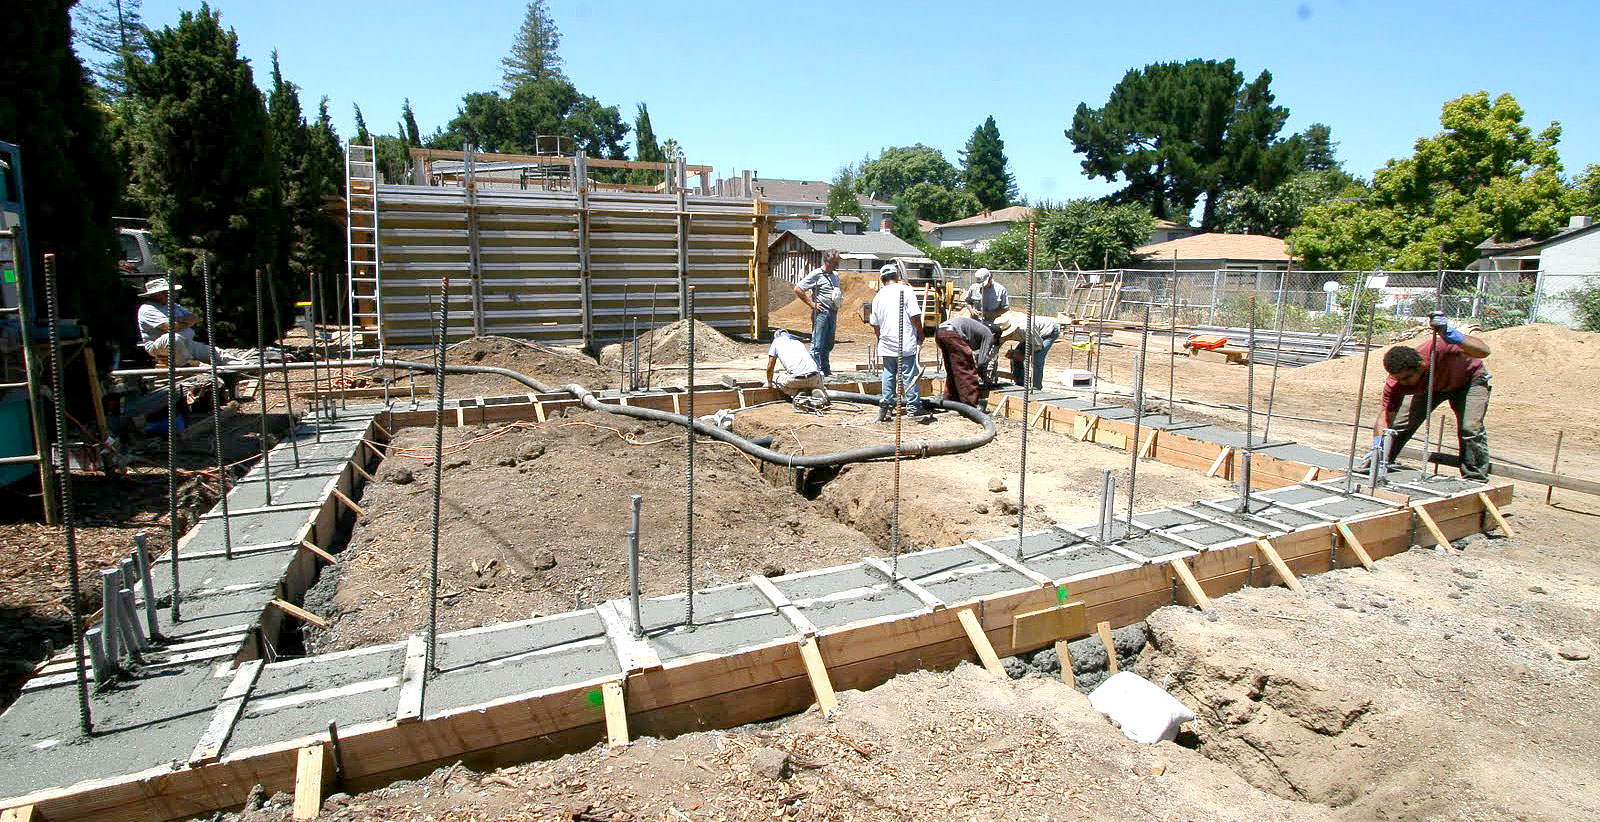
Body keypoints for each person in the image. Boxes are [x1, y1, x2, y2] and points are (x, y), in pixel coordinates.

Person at [1373, 313, 1493, 481]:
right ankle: (1382, 461)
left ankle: (1475, 478)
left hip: (1470, 381)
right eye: (1399, 378)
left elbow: (1484, 351)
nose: (1403, 383)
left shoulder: (1441, 346)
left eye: (1407, 378)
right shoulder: (1397, 382)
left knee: (1470, 428)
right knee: (1400, 425)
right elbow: (1385, 418)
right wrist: (1377, 447)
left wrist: (1451, 334)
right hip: (1432, 387)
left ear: (1421, 366)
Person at [869, 264, 930, 424]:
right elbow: (915, 316)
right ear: (897, 276)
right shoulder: (906, 290)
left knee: (888, 374)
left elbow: (875, 324)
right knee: (908, 373)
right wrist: (921, 333)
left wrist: (880, 338)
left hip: (887, 341)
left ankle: (887, 407)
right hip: (905, 341)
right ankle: (913, 408)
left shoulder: (878, 296)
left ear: (882, 280)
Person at [137, 278, 233, 366]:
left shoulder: (174, 305)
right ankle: (190, 364)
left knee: (218, 354)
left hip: (187, 343)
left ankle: (245, 366)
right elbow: (171, 327)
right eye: (165, 292)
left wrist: (178, 319)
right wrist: (185, 323)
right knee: (173, 338)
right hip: (160, 346)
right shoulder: (147, 309)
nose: (169, 295)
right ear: (155, 295)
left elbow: (194, 318)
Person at [792, 250, 843, 376]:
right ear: (827, 261)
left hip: (832, 311)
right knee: (818, 342)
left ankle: (825, 368)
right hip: (821, 312)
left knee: (829, 342)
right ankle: (814, 369)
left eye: (838, 262)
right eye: (835, 262)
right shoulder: (816, 274)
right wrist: (812, 304)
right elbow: (798, 289)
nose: (837, 265)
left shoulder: (835, 275)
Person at [934, 306, 995, 407]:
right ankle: (970, 404)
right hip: (953, 332)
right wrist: (984, 378)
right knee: (966, 369)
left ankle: (950, 399)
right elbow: (982, 362)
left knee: (953, 370)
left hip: (940, 332)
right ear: (995, 335)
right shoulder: (988, 334)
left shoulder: (975, 329)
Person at [996, 310, 1062, 389]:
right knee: (1016, 357)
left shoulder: (1025, 329)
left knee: (1037, 359)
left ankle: (1036, 387)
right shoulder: (1003, 327)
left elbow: (1038, 346)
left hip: (1049, 331)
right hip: (1033, 335)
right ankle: (1020, 384)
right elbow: (996, 348)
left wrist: (1022, 354)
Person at [765, 329, 824, 402]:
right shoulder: (798, 342)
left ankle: (798, 393)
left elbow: (770, 366)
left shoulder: (776, 342)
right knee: (815, 382)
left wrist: (769, 383)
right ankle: (816, 391)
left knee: (777, 381)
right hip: (815, 377)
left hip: (797, 380)